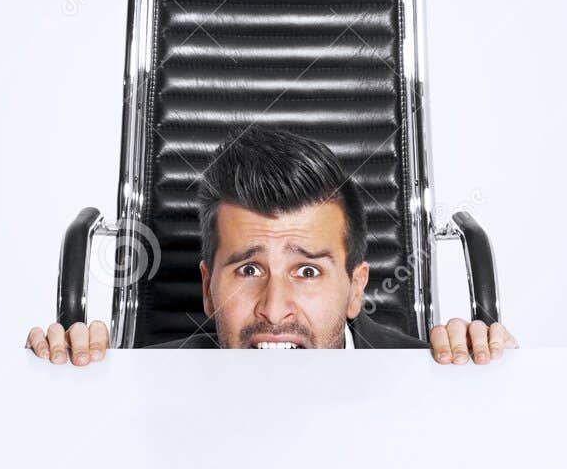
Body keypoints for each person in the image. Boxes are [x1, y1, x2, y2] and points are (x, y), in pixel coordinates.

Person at [25, 126, 516, 365]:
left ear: (355, 288)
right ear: (208, 287)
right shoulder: (146, 386)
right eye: (248, 269)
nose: (274, 309)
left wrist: (493, 386)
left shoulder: (426, 377)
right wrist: (62, 386)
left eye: (307, 271)